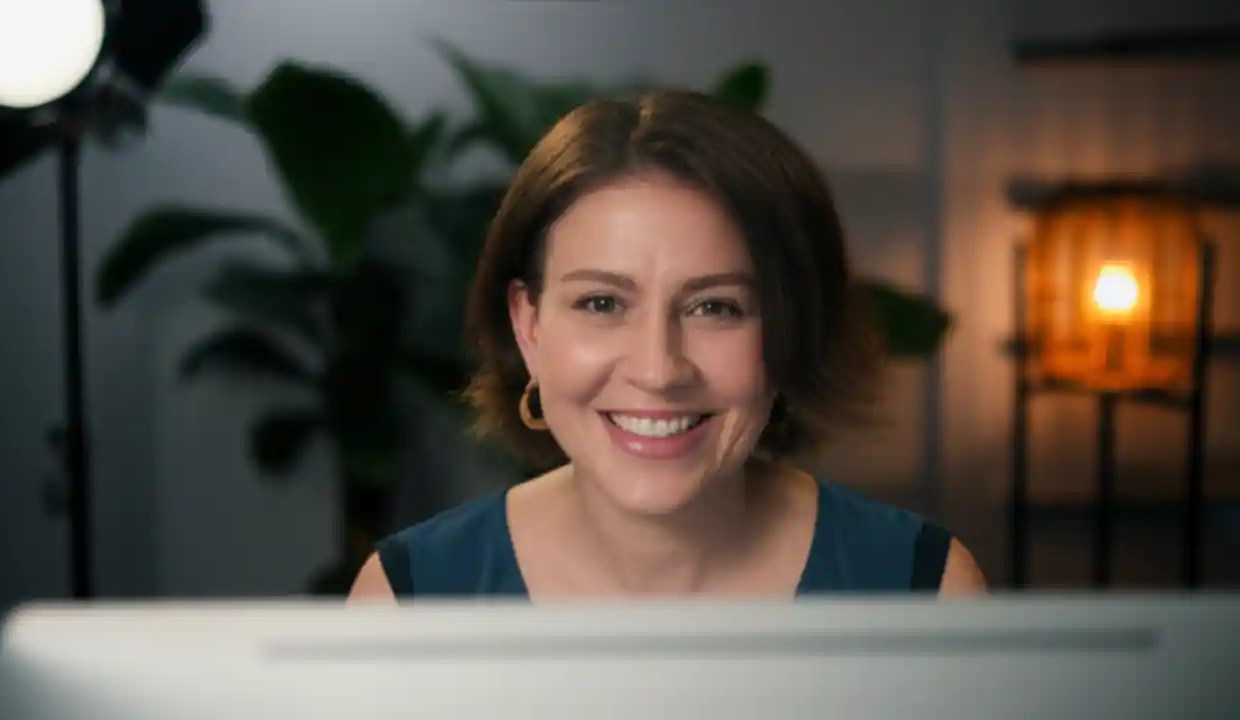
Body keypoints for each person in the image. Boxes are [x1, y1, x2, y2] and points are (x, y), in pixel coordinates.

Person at [349, 89, 986, 602]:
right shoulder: (409, 598)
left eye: (715, 307)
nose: (658, 370)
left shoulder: (925, 590)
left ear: (790, 329)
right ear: (529, 324)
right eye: (602, 304)